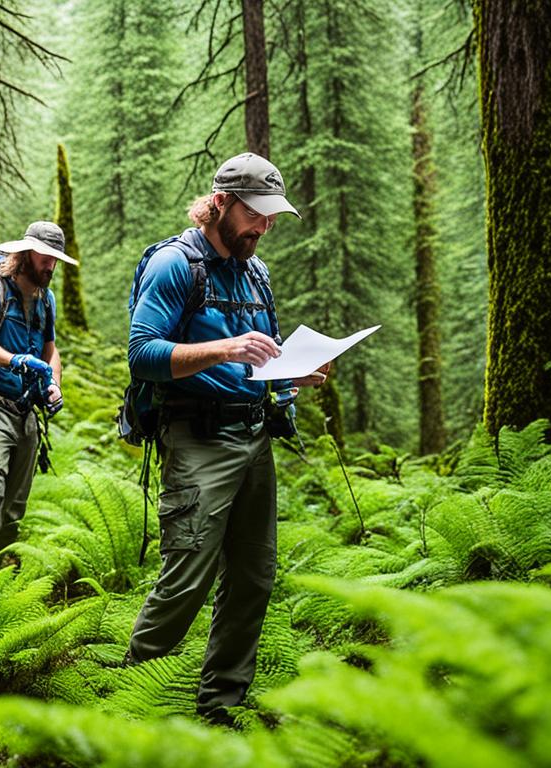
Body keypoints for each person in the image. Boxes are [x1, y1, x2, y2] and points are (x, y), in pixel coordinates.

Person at [123, 153, 329, 725]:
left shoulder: (255, 270)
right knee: (186, 578)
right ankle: (130, 709)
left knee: (253, 578)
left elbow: (265, 356)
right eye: (256, 215)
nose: (264, 227)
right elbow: (143, 356)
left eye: (271, 217)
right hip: (197, 439)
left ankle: (223, 709)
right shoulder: (174, 264)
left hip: (254, 435)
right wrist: (226, 348)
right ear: (220, 203)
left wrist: (294, 373)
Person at [0, 222, 75, 563]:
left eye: (55, 259)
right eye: (45, 257)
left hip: (27, 415)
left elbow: (50, 352)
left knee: (14, 509)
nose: (51, 266)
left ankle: (2, 579)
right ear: (25, 254)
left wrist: (53, 384)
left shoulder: (46, 299)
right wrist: (16, 361)